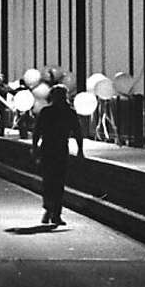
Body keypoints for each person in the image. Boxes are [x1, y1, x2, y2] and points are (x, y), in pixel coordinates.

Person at [31, 85, 84, 225]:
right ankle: (56, 214)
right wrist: (80, 149)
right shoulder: (69, 112)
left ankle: (48, 208)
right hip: (61, 149)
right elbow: (78, 131)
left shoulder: (46, 111)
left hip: (47, 148)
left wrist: (34, 148)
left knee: (47, 180)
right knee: (59, 182)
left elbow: (37, 132)